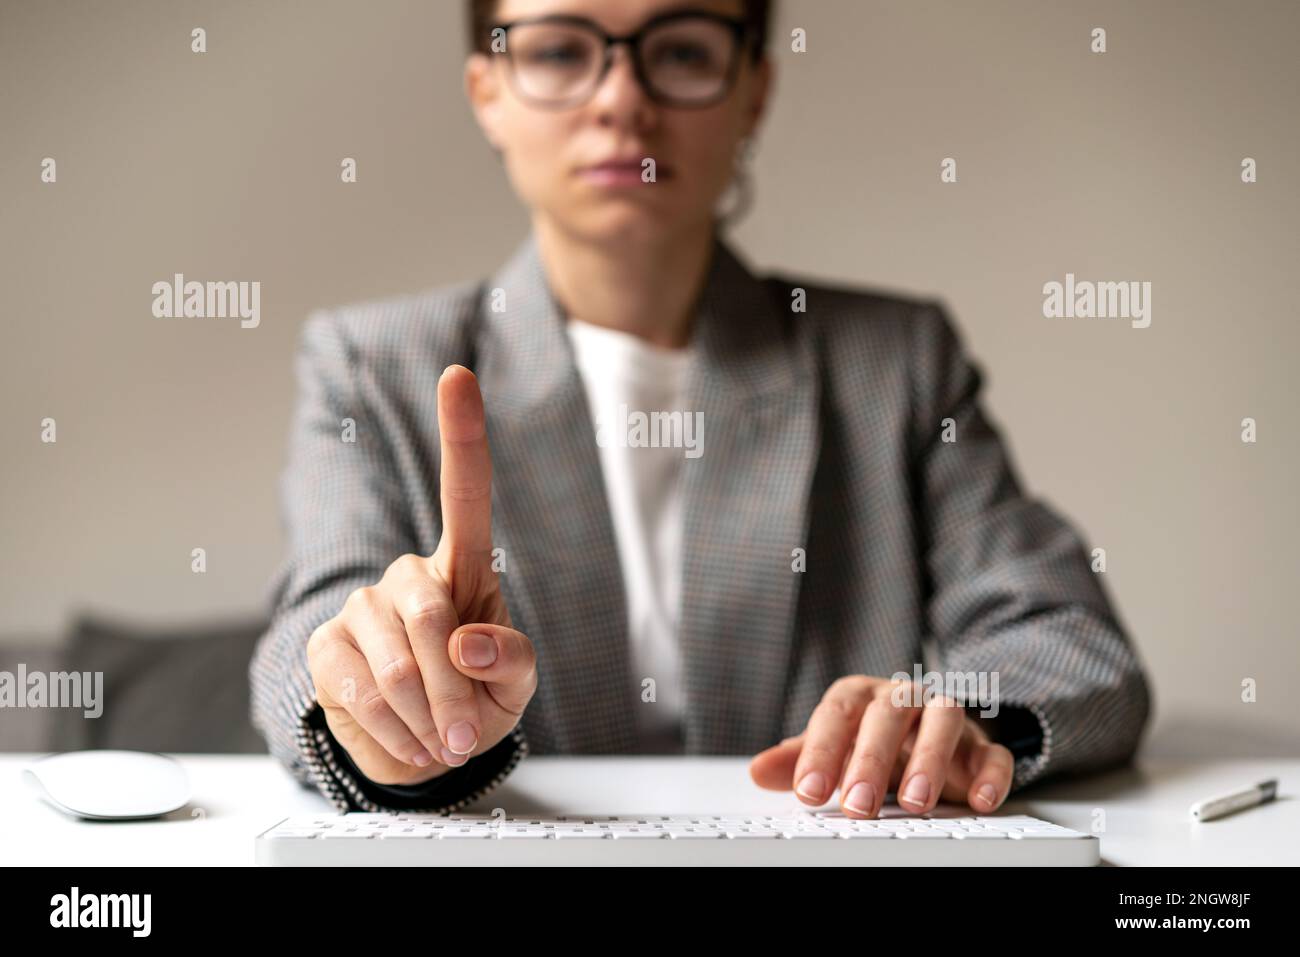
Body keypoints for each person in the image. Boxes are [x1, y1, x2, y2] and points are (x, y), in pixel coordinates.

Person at [251, 0, 1151, 818]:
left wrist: (958, 717)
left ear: (754, 89)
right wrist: (381, 709)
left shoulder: (896, 361)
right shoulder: (372, 363)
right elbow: (314, 627)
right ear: (488, 92)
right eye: (561, 50)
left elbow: (1067, 637)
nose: (622, 100)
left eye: (680, 50)